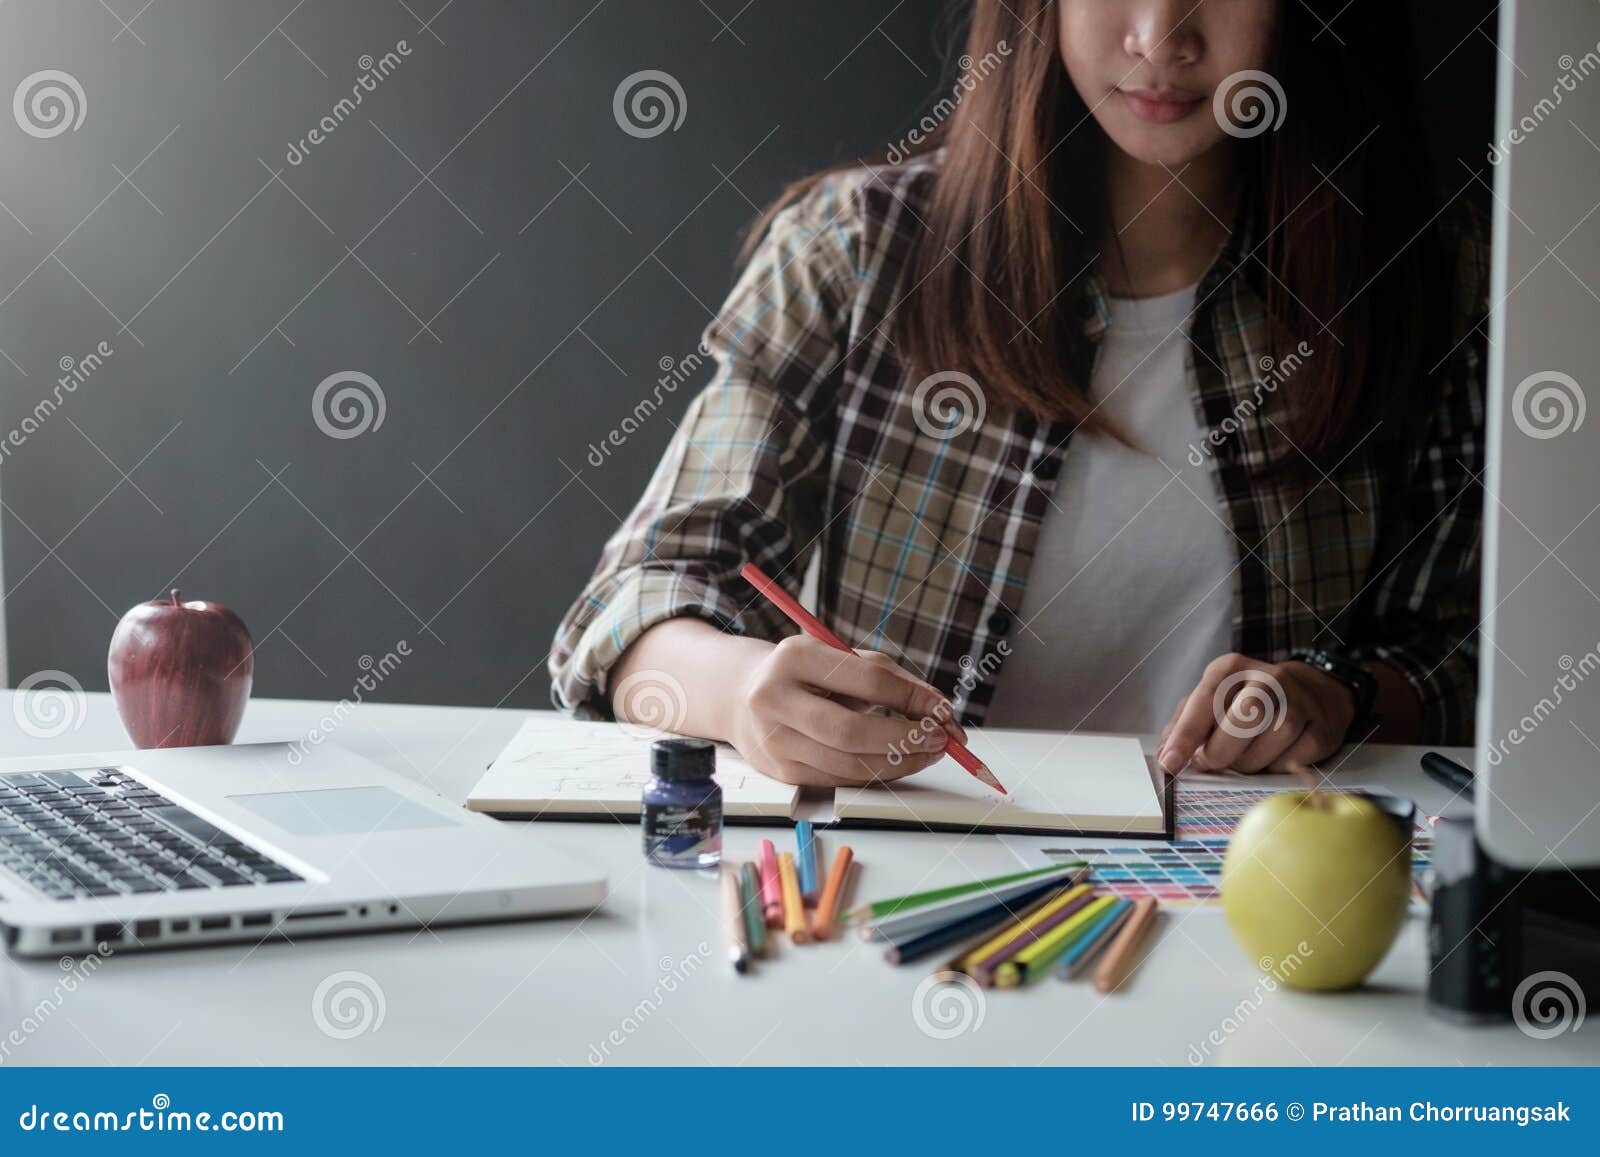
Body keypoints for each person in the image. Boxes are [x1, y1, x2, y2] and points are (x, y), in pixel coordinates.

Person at [551, 0, 1486, 788]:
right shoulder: (856, 251)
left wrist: (1336, 694)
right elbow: (631, 605)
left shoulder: (1423, 280)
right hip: (905, 891)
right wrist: (743, 694)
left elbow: (1469, 654)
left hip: (1249, 911)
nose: (1163, 36)